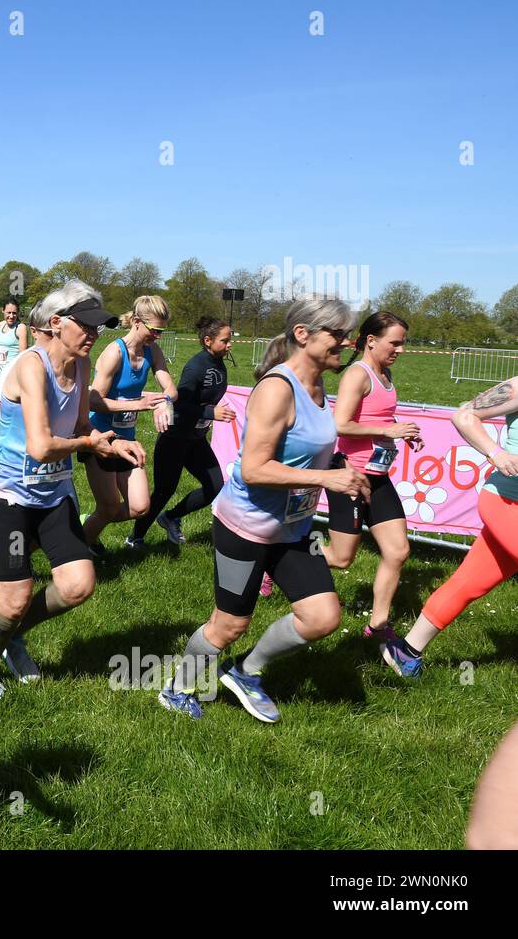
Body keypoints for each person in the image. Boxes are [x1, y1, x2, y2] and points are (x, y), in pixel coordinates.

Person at [159, 295, 363, 722]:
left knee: (322, 616)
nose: (345, 343)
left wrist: (338, 468)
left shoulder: (319, 386)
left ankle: (245, 672)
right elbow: (253, 468)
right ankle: (177, 687)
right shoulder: (277, 389)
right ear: (303, 335)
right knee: (229, 625)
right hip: (246, 527)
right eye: (338, 334)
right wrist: (326, 479)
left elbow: (306, 449)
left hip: (292, 529)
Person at [0, 281, 143, 698]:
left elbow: (81, 424)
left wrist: (112, 442)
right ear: (57, 323)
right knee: (13, 599)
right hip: (7, 498)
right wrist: (88, 444)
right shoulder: (31, 365)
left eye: (98, 328)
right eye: (85, 326)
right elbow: (42, 446)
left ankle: (13, 636)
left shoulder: (81, 365)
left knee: (77, 585)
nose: (93, 335)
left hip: (53, 496)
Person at [379, 374, 518, 677]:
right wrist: (497, 454)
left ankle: (405, 651)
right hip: (507, 503)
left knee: (471, 582)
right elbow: (464, 415)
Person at [321, 312, 422, 650]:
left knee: (398, 551)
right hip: (350, 475)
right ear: (371, 340)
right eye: (395, 342)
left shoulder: (385, 373)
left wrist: (403, 435)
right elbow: (341, 424)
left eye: (403, 343)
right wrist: (386, 430)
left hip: (378, 477)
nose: (401, 349)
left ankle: (378, 624)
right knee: (340, 558)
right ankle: (276, 556)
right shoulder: (357, 375)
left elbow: (379, 417)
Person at [82, 294, 177, 554]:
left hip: (129, 438)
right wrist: (138, 403)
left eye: (161, 331)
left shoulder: (151, 351)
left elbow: (170, 388)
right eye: (154, 329)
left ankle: (84, 525)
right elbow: (93, 401)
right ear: (136, 321)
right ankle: (81, 545)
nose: (157, 336)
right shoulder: (114, 353)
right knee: (109, 507)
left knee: (140, 506)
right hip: (101, 437)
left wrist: (163, 402)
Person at [129, 316, 234, 547]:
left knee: (215, 486)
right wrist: (210, 414)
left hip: (195, 440)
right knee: (165, 490)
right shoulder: (196, 367)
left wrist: (209, 415)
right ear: (208, 340)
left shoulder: (218, 363)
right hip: (175, 439)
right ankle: (135, 537)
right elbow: (179, 404)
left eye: (230, 340)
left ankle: (171, 517)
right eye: (225, 340)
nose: (230, 345)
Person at [0, 300, 29, 367]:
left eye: (14, 313)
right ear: (3, 310)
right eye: (9, 312)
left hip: (10, 371)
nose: (11, 316)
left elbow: (22, 355)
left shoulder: (21, 328)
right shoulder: (0, 325)